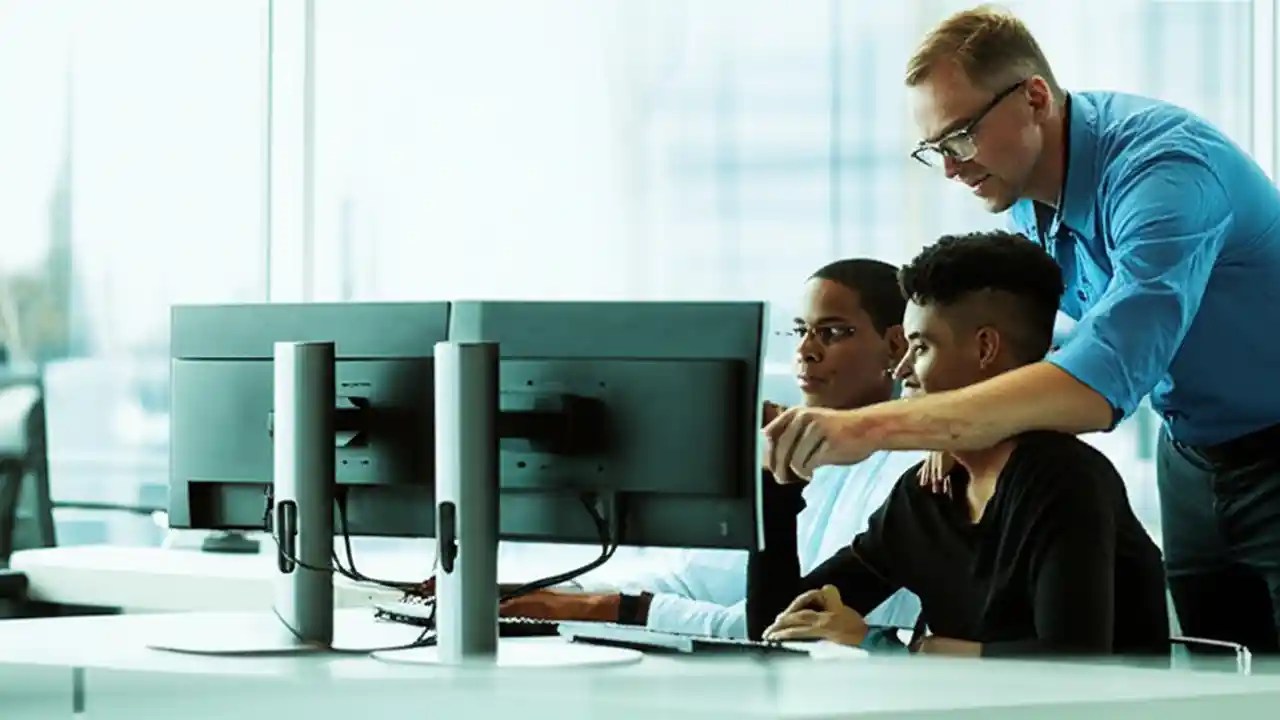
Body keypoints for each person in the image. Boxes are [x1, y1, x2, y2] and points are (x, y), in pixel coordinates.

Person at [765, 5, 1280, 653]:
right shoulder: (1026, 202)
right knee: (1221, 684)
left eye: (960, 137)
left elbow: (1103, 377)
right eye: (935, 150)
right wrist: (952, 418)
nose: (951, 168)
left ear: (1034, 96)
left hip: (1273, 445)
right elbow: (1028, 345)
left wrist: (877, 426)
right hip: (1193, 455)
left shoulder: (1165, 175)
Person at [758, 231, 1168, 658]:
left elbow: (1070, 660)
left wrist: (883, 644)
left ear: (985, 348)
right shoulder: (929, 492)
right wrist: (776, 481)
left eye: (919, 347)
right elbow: (776, 622)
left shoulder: (1062, 479)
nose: (901, 370)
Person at [498, 259, 925, 637]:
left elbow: (789, 623)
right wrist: (547, 591)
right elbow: (699, 583)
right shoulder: (808, 451)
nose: (804, 351)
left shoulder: (914, 471)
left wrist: (612, 609)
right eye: (800, 331)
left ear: (895, 345)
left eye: (832, 333)